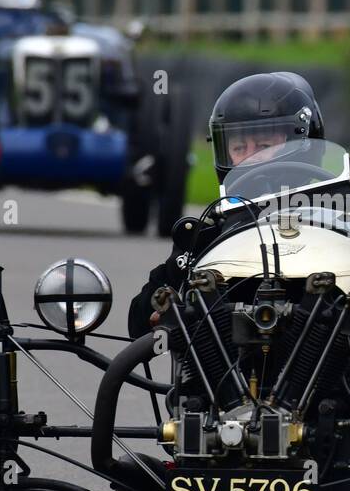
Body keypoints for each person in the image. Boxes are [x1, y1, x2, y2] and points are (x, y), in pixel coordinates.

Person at [125, 72, 324, 337]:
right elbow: (137, 328)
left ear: (303, 142)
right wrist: (182, 261)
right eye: (239, 147)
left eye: (264, 145)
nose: (251, 158)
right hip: (225, 372)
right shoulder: (213, 228)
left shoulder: (333, 214)